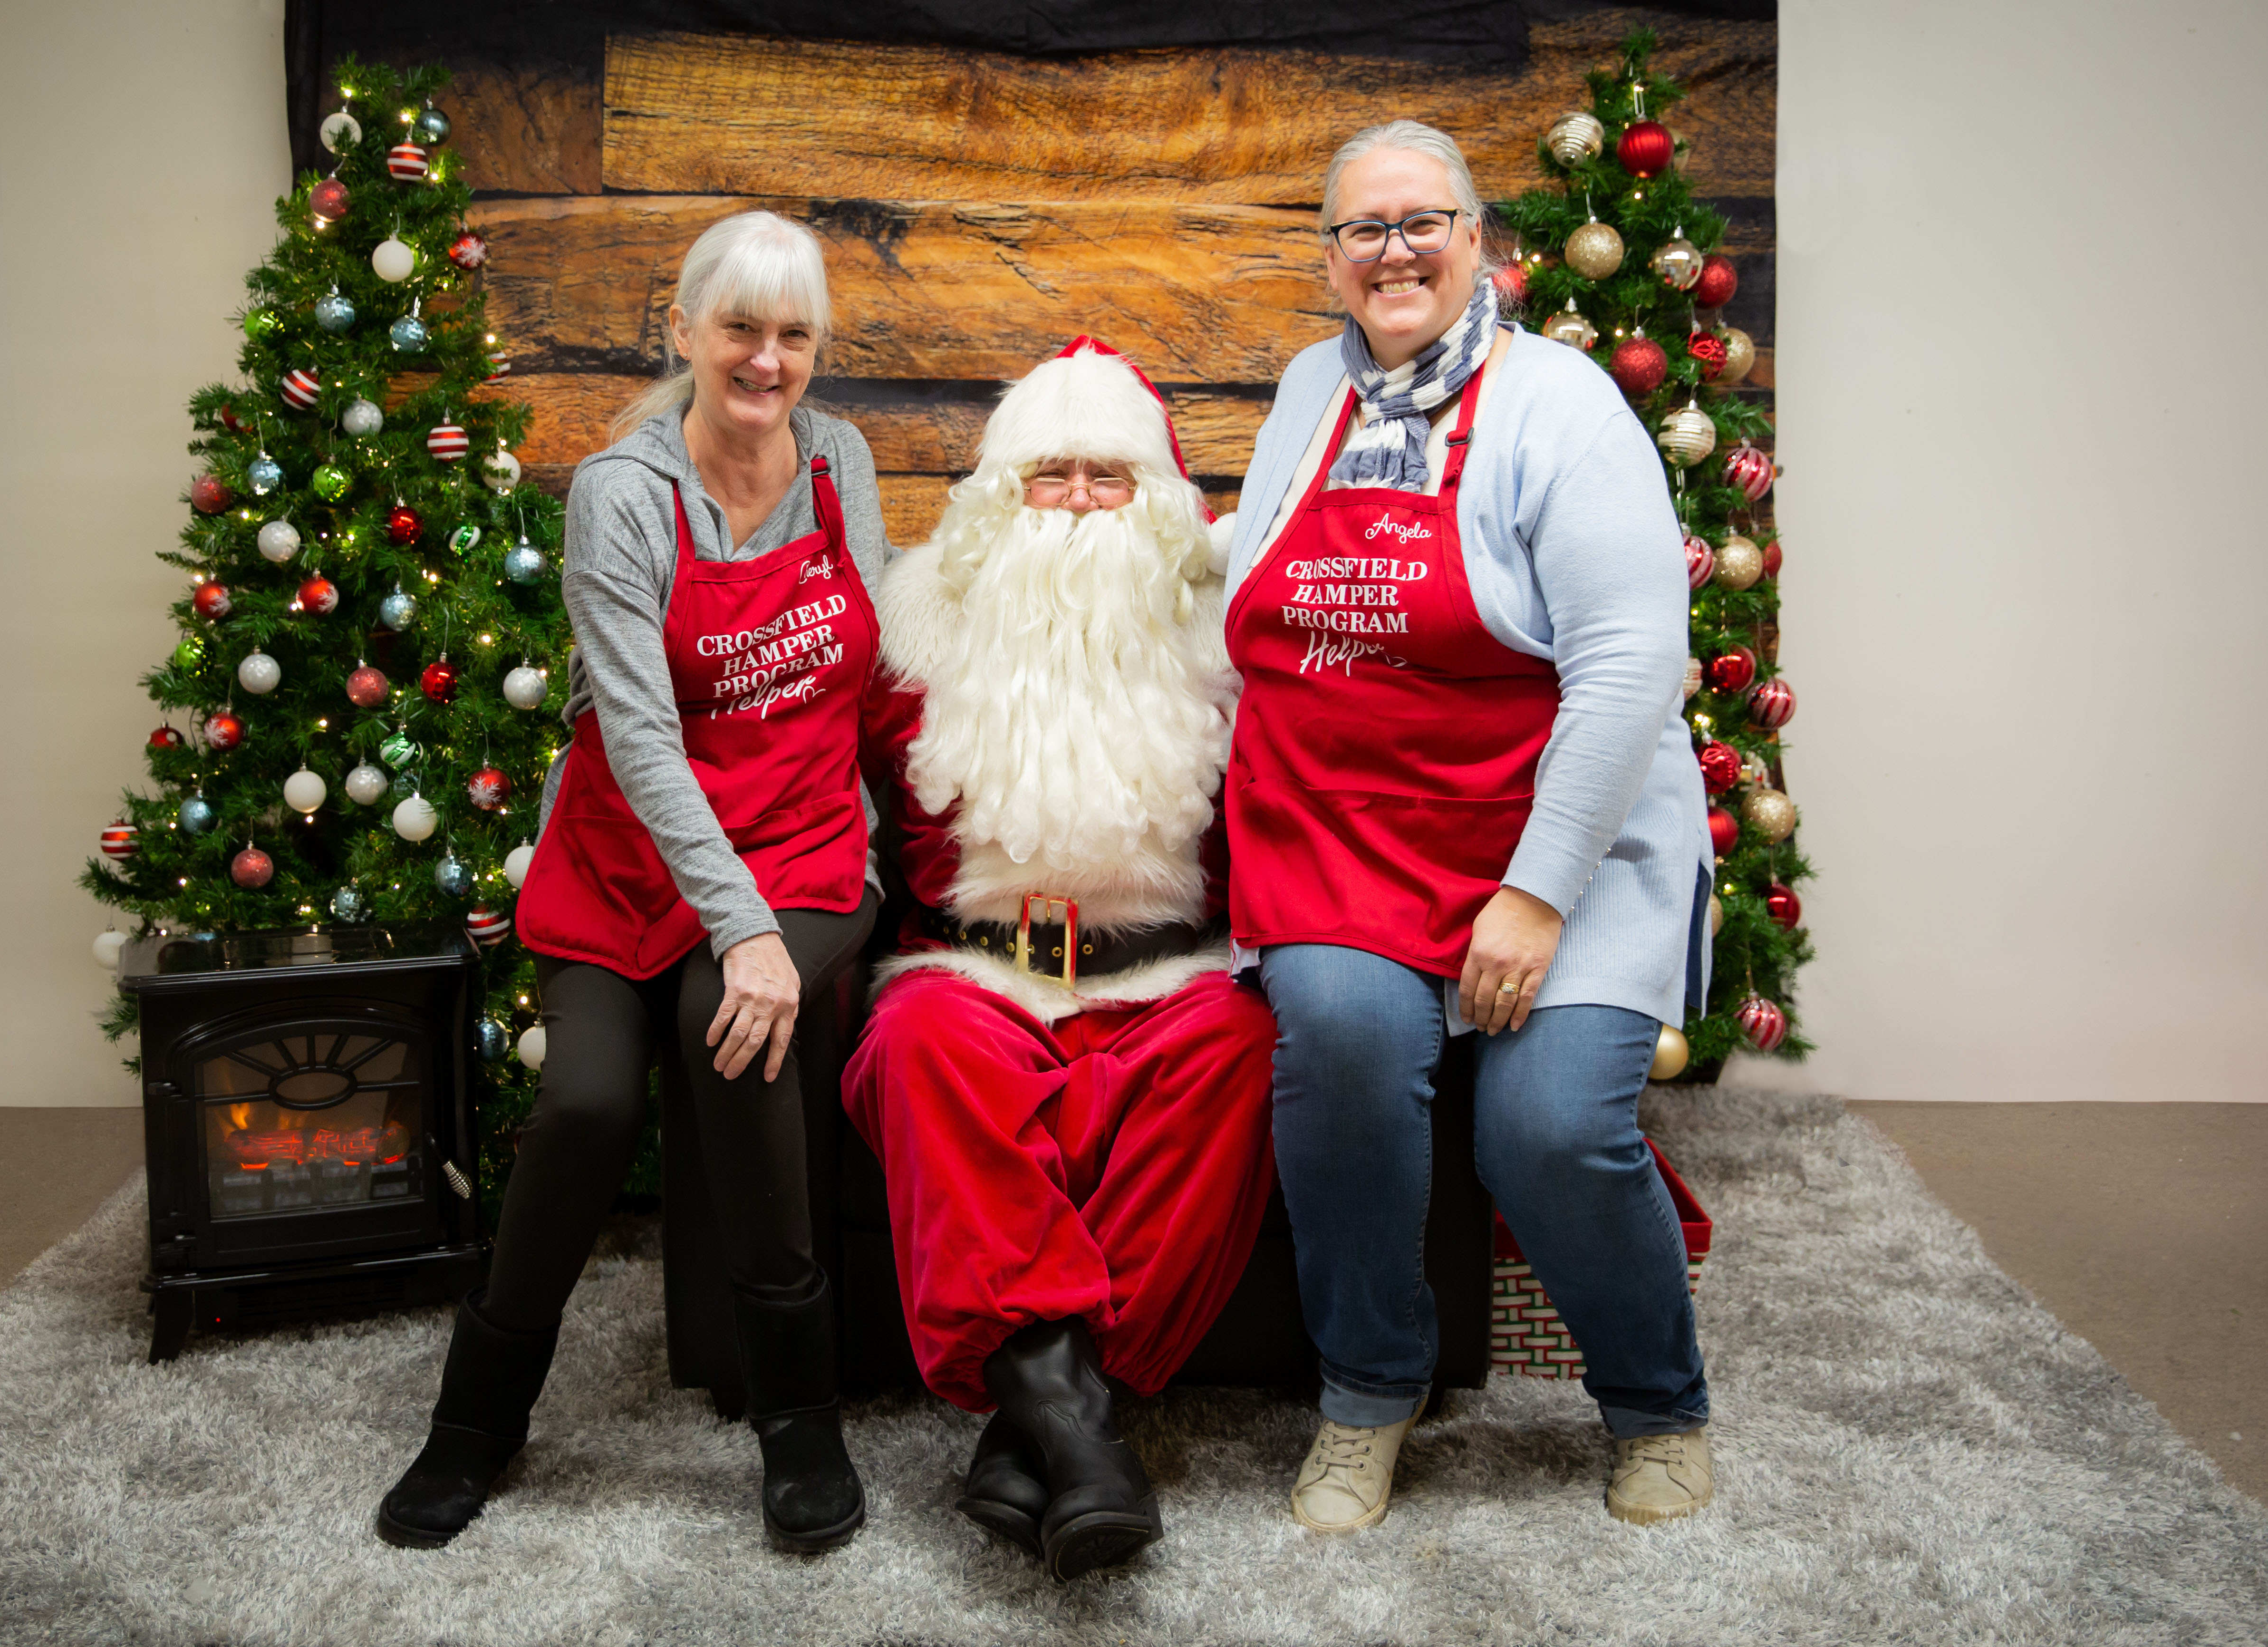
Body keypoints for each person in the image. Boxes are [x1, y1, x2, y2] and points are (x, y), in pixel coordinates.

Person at [1219, 121, 1716, 1532]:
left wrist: (1536, 893)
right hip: (1344, 836)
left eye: (1419, 222)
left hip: (1562, 835)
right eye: (1362, 230)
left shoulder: (1562, 407)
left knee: (1550, 1129)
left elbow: (1626, 675)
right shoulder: (1312, 388)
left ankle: (1653, 1401)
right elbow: (1250, 597)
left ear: (1478, 240)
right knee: (1351, 1053)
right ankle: (1369, 1392)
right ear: (1329, 261)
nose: (1393, 252)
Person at [376, 211, 891, 1554]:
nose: (766, 361)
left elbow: (878, 660)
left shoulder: (840, 460)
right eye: (740, 329)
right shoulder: (622, 491)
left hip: (807, 845)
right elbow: (644, 740)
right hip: (629, 852)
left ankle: (797, 1417)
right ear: (683, 331)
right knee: (590, 1101)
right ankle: (476, 1422)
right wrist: (744, 931)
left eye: (793, 335)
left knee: (732, 1038)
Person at [843, 339, 1277, 1581]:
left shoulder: (1222, 634)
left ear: (1158, 499)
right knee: (915, 1049)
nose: (1081, 501)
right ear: (999, 496)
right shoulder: (915, 632)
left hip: (1170, 973)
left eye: (1109, 477)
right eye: (1052, 476)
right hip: (974, 971)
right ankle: (1081, 1427)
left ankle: (1041, 1411)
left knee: (1243, 1053)